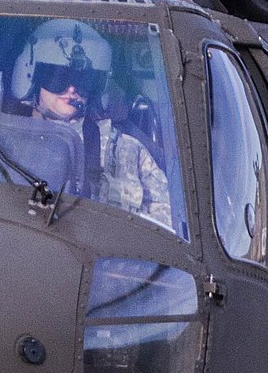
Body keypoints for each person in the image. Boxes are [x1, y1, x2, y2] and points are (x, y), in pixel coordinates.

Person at [15, 19, 172, 230]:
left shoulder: (126, 150)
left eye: (83, 78)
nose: (72, 89)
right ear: (31, 76)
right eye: (57, 76)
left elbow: (166, 224)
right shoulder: (5, 140)